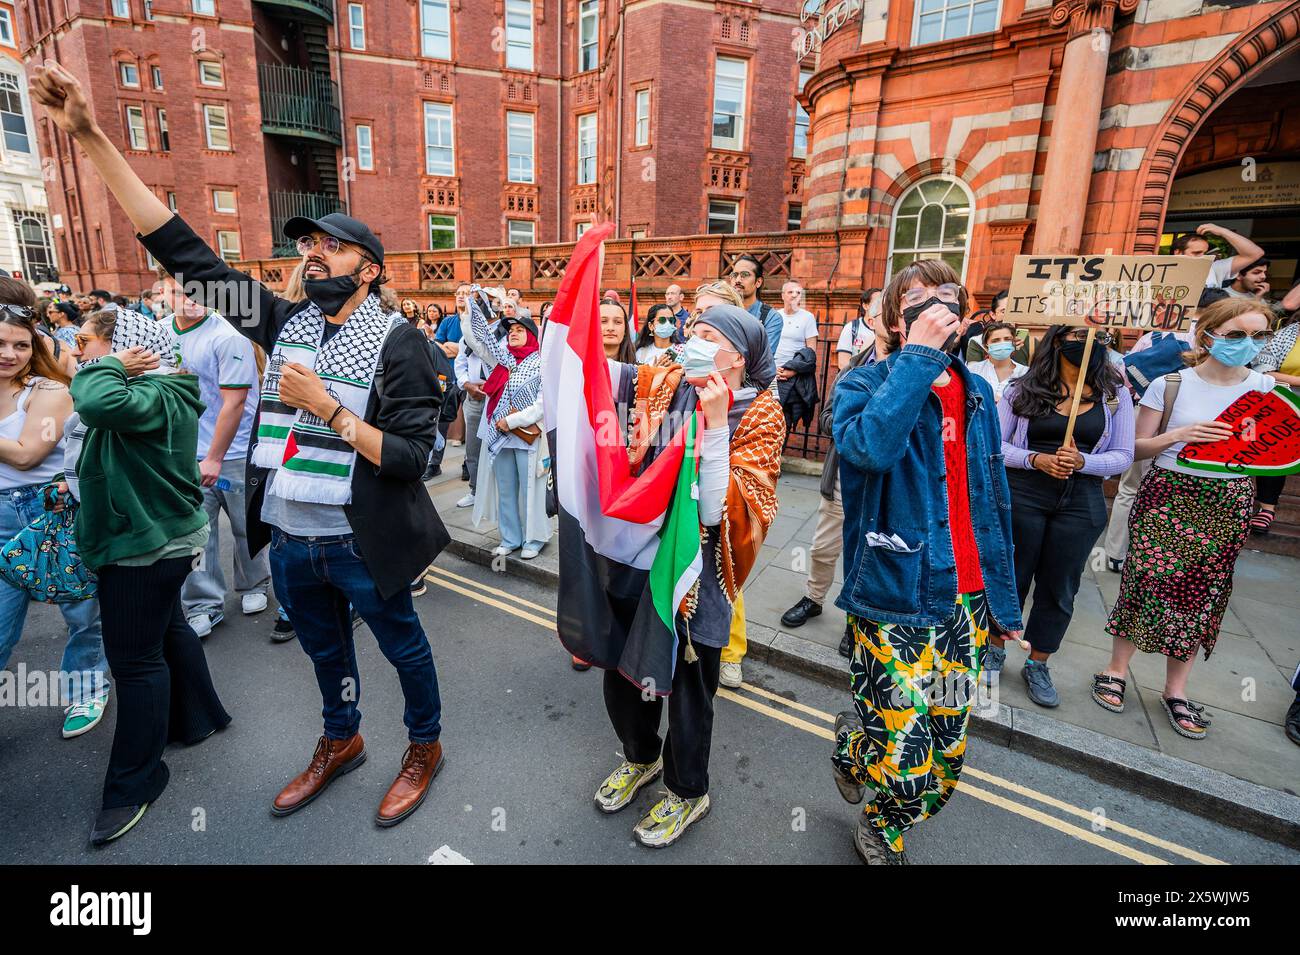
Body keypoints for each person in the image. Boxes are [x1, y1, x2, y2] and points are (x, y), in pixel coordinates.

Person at [32, 59, 452, 826]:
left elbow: (417, 458)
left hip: (362, 542)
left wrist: (328, 408)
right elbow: (183, 251)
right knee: (327, 656)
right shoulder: (279, 320)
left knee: (404, 649)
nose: (312, 253)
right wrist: (91, 137)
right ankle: (342, 737)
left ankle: (423, 745)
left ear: (371, 268)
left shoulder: (402, 345)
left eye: (331, 245)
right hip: (293, 537)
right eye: (306, 246)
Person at [830, 260, 1023, 864]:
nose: (935, 306)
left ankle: (853, 752)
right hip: (897, 591)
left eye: (947, 297)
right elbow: (868, 449)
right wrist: (916, 358)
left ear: (965, 317)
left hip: (965, 600)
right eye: (915, 299)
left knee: (945, 748)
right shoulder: (861, 385)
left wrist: (1005, 599)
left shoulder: (981, 393)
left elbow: (992, 496)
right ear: (892, 318)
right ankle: (882, 823)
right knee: (905, 756)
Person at [589, 303, 784, 847]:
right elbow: (598, 373)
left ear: (738, 358)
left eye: (706, 335)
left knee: (691, 692)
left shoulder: (763, 412)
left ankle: (687, 791)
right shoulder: (669, 381)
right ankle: (641, 758)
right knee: (625, 672)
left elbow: (718, 515)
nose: (689, 341)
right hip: (641, 560)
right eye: (689, 330)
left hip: (700, 577)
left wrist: (717, 426)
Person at [70, 305, 230, 846]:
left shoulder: (150, 394)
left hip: (146, 546)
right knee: (167, 630)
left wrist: (111, 365)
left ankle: (134, 783)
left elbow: (93, 400)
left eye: (88, 344)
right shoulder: (157, 390)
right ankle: (200, 716)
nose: (79, 353)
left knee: (135, 662)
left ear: (130, 349)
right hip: (155, 538)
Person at [1093, 298, 1277, 740]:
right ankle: (1117, 670)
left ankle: (1176, 691)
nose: (1246, 344)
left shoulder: (1266, 390)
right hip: (1169, 493)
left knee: (1201, 596)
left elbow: (1275, 456)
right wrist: (1179, 435)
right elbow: (1133, 448)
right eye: (1235, 335)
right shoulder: (1171, 384)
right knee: (1144, 582)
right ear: (1208, 335)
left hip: (1228, 498)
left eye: (1258, 336)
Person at [992, 325, 1133, 707]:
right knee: (1011, 577)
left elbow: (1123, 454)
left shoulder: (1114, 394)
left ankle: (1038, 663)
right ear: (1057, 340)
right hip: (1024, 493)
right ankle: (994, 649)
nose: (1089, 343)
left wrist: (1085, 461)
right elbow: (995, 445)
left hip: (1080, 500)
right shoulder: (1022, 388)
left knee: (1060, 586)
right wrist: (1035, 459)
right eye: (1078, 334)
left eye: (1101, 337)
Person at [0, 281, 110, 740]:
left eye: (21, 344)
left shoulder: (48, 390)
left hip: (45, 513)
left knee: (81, 612)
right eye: (1, 343)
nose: (10, 352)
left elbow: (26, 454)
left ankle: (87, 688)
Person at [163, 269, 270, 639]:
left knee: (244, 526)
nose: (188, 299)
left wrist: (213, 457)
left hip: (234, 452)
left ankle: (254, 585)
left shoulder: (228, 335)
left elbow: (234, 403)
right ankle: (203, 603)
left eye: (194, 292)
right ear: (164, 292)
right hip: (184, 457)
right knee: (197, 534)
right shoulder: (159, 332)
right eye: (178, 292)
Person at [782, 293, 888, 657]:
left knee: (865, 555)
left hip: (884, 484)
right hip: (844, 476)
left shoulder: (909, 372)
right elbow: (827, 418)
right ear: (871, 322)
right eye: (881, 314)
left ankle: (855, 621)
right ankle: (813, 598)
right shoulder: (853, 369)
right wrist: (855, 426)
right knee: (824, 547)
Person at [468, 296, 551, 560]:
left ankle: (534, 538)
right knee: (506, 488)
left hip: (527, 437)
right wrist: (468, 309)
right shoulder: (503, 361)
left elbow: (542, 406)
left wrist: (512, 421)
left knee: (531, 490)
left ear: (531, 335)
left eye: (519, 330)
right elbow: (477, 342)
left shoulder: (541, 363)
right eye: (511, 331)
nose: (513, 334)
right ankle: (510, 537)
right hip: (500, 436)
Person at [1249, 315, 1300, 534]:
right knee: (1276, 448)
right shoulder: (1285, 334)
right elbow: (1263, 370)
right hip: (1285, 401)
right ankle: (1267, 508)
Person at [454, 284, 502, 510]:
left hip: (498, 399)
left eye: (480, 301)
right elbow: (460, 364)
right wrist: (467, 384)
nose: (476, 305)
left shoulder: (505, 333)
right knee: (473, 447)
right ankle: (474, 489)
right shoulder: (467, 335)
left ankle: (497, 492)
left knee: (498, 447)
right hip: (473, 399)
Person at [1170, 224, 1265, 289]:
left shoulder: (1214, 268)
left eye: (1205, 253)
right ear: (1178, 252)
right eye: (1196, 253)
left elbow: (1255, 253)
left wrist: (1222, 231)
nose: (1203, 257)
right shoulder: (1162, 270)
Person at [729, 253, 782, 357]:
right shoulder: (721, 310)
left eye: (745, 275)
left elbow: (764, 359)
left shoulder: (771, 317)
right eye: (735, 275)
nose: (738, 280)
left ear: (758, 282)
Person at [966, 321, 1027, 402]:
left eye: (1007, 339)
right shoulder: (972, 371)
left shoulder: (1025, 373)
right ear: (985, 346)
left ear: (1014, 343)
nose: (1002, 343)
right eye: (995, 340)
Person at [836, 288, 880, 374]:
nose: (881, 305)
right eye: (877, 302)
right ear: (865, 306)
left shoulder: (886, 329)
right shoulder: (852, 327)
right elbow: (842, 363)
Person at [601, 298, 637, 363]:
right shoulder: (578, 369)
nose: (610, 328)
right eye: (603, 321)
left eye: (618, 322)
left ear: (625, 329)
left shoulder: (638, 370)